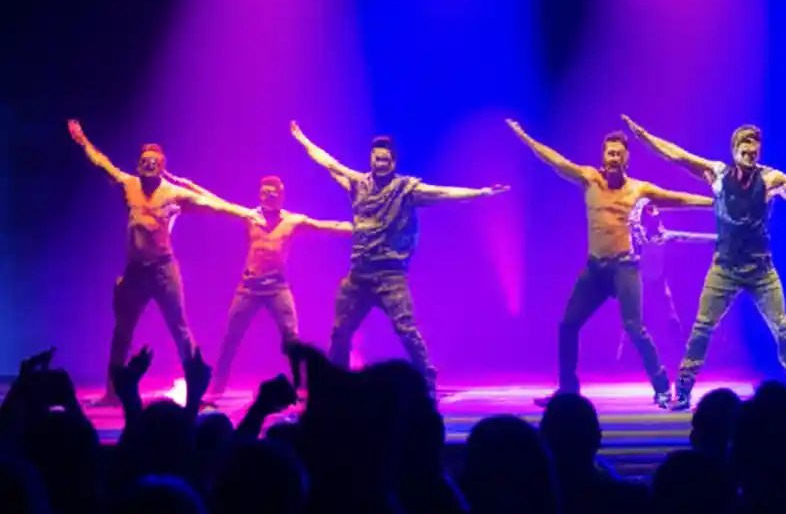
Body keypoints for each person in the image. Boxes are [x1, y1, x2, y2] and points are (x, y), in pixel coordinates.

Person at [622, 115, 786, 411]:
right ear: (734, 151)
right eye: (744, 147)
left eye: (754, 148)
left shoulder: (770, 179)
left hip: (761, 270)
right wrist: (643, 136)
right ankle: (682, 390)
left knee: (782, 328)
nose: (749, 152)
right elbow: (678, 156)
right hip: (725, 268)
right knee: (702, 328)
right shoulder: (717, 174)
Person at [290, 121, 508, 394]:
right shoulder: (357, 184)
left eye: (385, 159)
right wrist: (303, 140)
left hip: (390, 275)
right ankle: (336, 384)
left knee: (406, 329)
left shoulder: (406, 189)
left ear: (393, 161)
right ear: (371, 159)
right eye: (376, 158)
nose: (380, 162)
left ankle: (427, 380)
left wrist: (480, 193)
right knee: (340, 330)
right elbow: (329, 163)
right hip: (358, 275)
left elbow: (441, 193)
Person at [506, 121, 713, 408]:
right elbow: (556, 161)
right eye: (609, 153)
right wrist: (526, 138)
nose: (613, 158)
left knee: (634, 327)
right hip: (595, 269)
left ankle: (663, 387)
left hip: (625, 267)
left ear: (626, 158)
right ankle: (567, 391)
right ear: (603, 156)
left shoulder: (639, 189)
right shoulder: (589, 179)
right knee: (567, 325)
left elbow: (676, 198)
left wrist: (715, 203)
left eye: (618, 154)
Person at [67, 120, 264, 406]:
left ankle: (197, 391)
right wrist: (83, 141)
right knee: (122, 330)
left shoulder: (173, 193)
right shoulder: (128, 184)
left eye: (153, 161)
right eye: (144, 161)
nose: (148, 165)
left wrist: (245, 213)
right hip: (135, 273)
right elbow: (102, 164)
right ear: (138, 164)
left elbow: (213, 205)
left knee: (180, 329)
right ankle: (112, 392)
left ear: (161, 165)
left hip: (163, 270)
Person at [162, 172, 353, 398]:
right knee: (231, 337)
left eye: (273, 193)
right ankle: (217, 386)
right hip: (249, 288)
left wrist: (361, 228)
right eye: (264, 193)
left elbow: (327, 226)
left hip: (277, 288)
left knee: (291, 338)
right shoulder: (250, 216)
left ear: (281, 196)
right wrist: (188, 184)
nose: (268, 197)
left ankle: (300, 386)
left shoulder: (292, 221)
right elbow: (218, 203)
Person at [615, 198, 715, 362]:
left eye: (655, 213)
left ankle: (684, 355)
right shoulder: (636, 236)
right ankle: (622, 358)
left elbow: (690, 237)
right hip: (640, 284)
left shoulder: (664, 236)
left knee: (672, 320)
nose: (654, 216)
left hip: (659, 284)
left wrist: (717, 238)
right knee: (634, 321)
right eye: (650, 213)